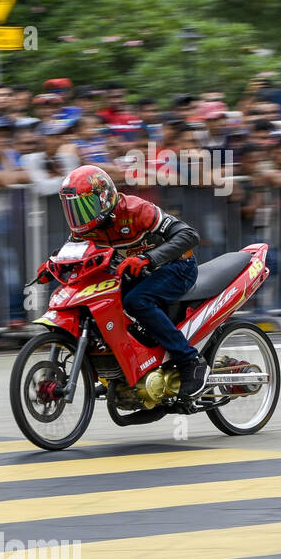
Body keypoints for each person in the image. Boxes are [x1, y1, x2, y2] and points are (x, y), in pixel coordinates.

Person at [52, 164, 207, 396]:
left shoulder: (136, 209)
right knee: (97, 301)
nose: (78, 216)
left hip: (177, 266)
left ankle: (190, 362)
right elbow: (71, 254)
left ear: (103, 198)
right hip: (136, 272)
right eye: (73, 209)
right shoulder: (84, 228)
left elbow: (189, 235)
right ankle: (124, 366)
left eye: (84, 206)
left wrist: (149, 258)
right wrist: (51, 265)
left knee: (137, 301)